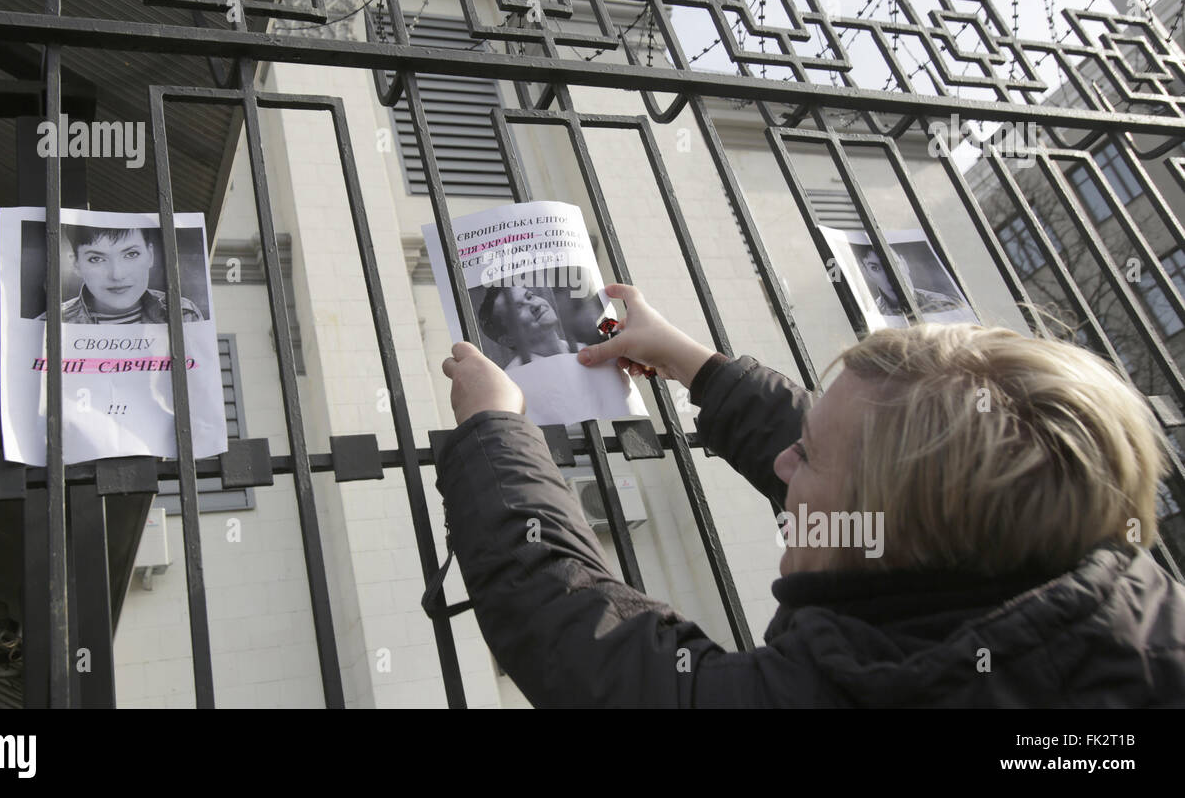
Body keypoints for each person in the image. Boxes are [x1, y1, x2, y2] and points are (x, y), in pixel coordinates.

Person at [436, 282, 1185, 706]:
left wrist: (495, 431)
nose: (784, 461)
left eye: (810, 455)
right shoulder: (1115, 591)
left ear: (886, 528)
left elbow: (588, 651)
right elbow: (862, 456)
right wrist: (692, 362)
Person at [40, 225, 203, 325]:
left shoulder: (182, 314)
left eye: (131, 254)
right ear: (76, 264)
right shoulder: (50, 323)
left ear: (150, 256)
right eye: (96, 258)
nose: (117, 275)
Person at [477, 285, 571, 370]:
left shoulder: (581, 348)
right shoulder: (516, 381)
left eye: (529, 297)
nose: (535, 305)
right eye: (517, 308)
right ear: (508, 339)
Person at [857, 245, 964, 317]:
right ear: (867, 273)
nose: (890, 276)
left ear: (905, 264)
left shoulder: (943, 304)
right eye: (875, 268)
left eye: (895, 263)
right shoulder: (870, 313)